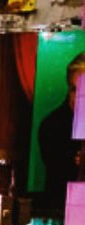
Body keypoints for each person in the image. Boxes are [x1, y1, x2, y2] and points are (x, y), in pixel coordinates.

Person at [38, 52, 85, 210]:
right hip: (61, 215)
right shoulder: (52, 126)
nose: (78, 96)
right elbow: (59, 175)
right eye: (73, 89)